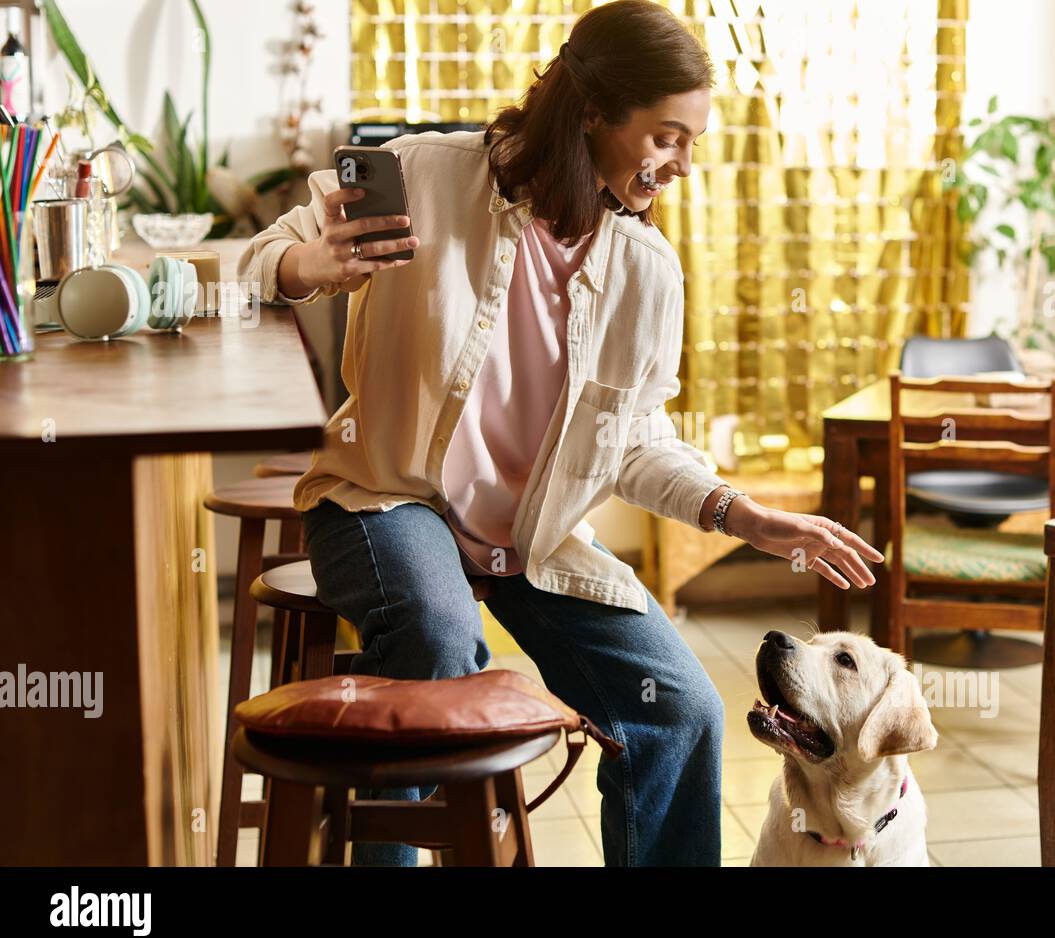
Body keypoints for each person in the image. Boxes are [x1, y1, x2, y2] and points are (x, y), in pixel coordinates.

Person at [237, 0, 882, 866]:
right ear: (590, 112)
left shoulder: (645, 269)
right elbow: (249, 263)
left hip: (532, 543)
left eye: (693, 141)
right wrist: (310, 266)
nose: (683, 164)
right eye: (667, 136)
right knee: (436, 634)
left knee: (680, 708)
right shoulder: (421, 172)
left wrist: (745, 516)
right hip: (385, 502)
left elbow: (637, 441)